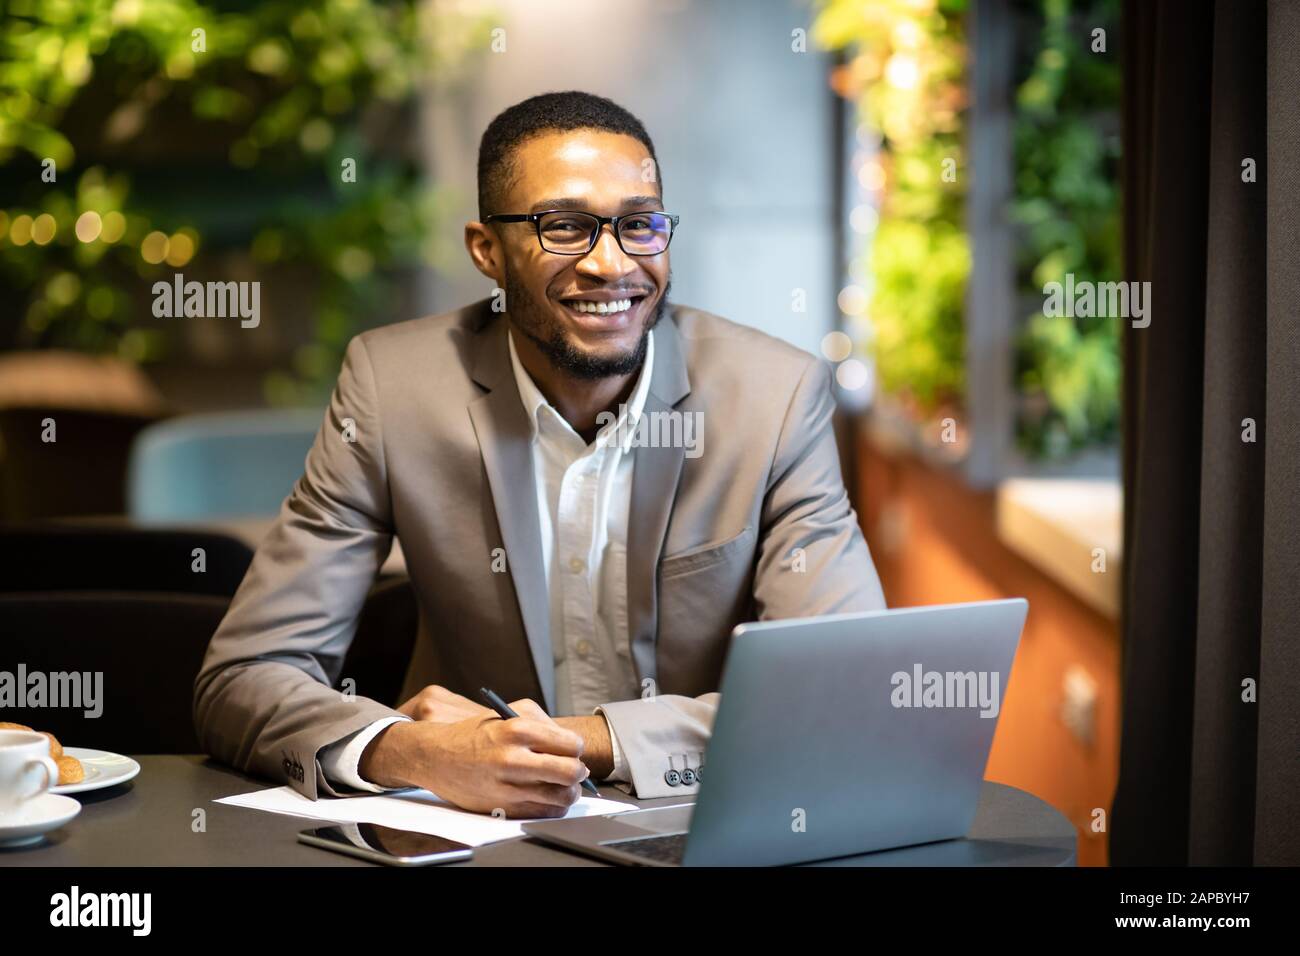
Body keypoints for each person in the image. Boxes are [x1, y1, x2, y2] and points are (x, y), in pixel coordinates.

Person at [194, 90, 885, 817]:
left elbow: (842, 692)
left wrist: (577, 741)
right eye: (564, 227)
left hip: (702, 826)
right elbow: (243, 677)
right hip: (475, 838)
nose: (610, 264)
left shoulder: (773, 397)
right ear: (487, 251)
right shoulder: (392, 388)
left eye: (639, 225)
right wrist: (411, 750)